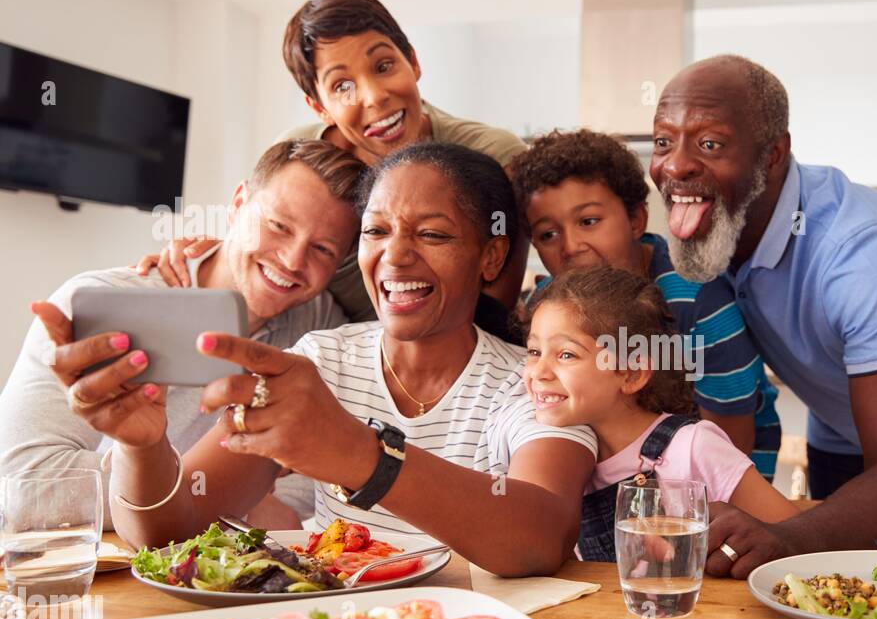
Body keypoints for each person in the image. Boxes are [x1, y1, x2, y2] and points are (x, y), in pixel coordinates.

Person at [37, 142, 595, 577]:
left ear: (492, 255)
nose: (395, 256)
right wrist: (143, 445)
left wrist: (363, 458)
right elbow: (169, 530)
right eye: (376, 231)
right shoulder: (321, 360)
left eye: (431, 234)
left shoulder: (534, 378)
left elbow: (541, 536)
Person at [649, 55, 877, 578]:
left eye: (710, 144)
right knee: (844, 582)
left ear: (774, 153)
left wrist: (784, 538)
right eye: (664, 141)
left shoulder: (862, 252)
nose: (675, 165)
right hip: (843, 411)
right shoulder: (713, 230)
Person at [2, 139, 365, 529]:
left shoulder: (323, 327)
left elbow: (311, 490)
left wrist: (200, 499)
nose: (293, 261)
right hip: (102, 567)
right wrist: (212, 497)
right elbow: (22, 489)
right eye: (278, 226)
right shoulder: (106, 305)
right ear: (239, 203)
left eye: (323, 249)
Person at [136, 0, 528, 341]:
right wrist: (198, 257)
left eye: (384, 66)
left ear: (412, 61)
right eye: (342, 86)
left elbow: (494, 310)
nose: (374, 97)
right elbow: (257, 243)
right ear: (319, 106)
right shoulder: (297, 155)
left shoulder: (493, 157)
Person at [509, 129, 782, 480]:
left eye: (589, 221)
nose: (571, 245)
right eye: (548, 234)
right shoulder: (546, 307)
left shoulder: (697, 302)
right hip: (614, 486)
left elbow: (731, 446)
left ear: (636, 220)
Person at [523, 267, 797, 561]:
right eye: (534, 351)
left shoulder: (694, 448)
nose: (538, 372)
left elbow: (793, 539)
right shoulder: (557, 461)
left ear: (631, 374)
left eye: (566, 354)